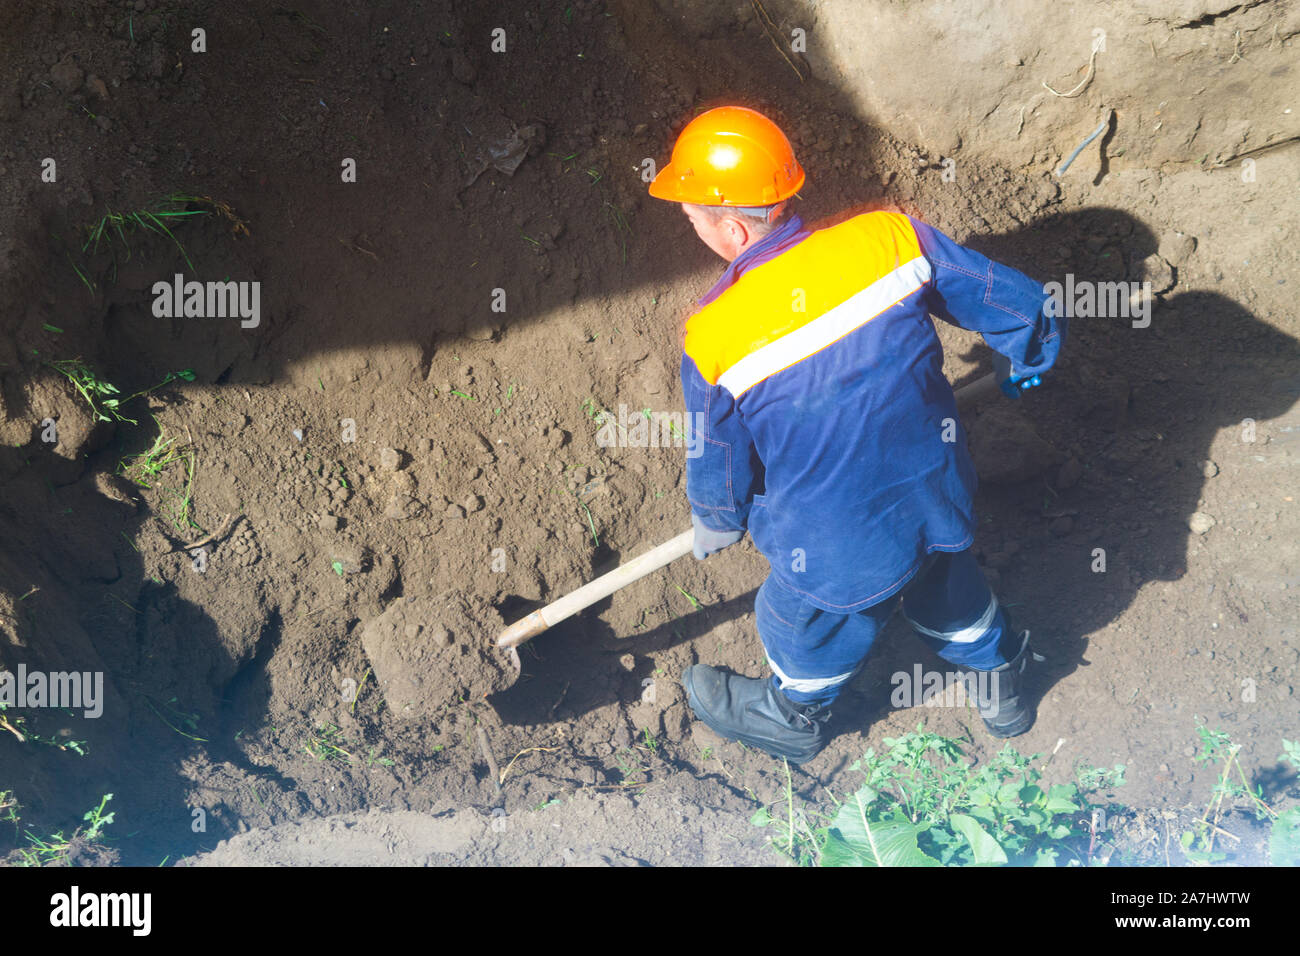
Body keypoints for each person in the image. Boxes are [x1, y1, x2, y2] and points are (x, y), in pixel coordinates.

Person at [647, 105, 1065, 764]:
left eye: (692, 217)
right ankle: (1005, 684)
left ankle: (794, 714)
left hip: (833, 539)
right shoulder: (889, 241)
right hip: (937, 489)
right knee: (945, 579)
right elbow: (1012, 301)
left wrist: (717, 517)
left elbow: (722, 456)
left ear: (729, 226)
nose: (692, 227)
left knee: (803, 619)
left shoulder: (714, 338)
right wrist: (1029, 355)